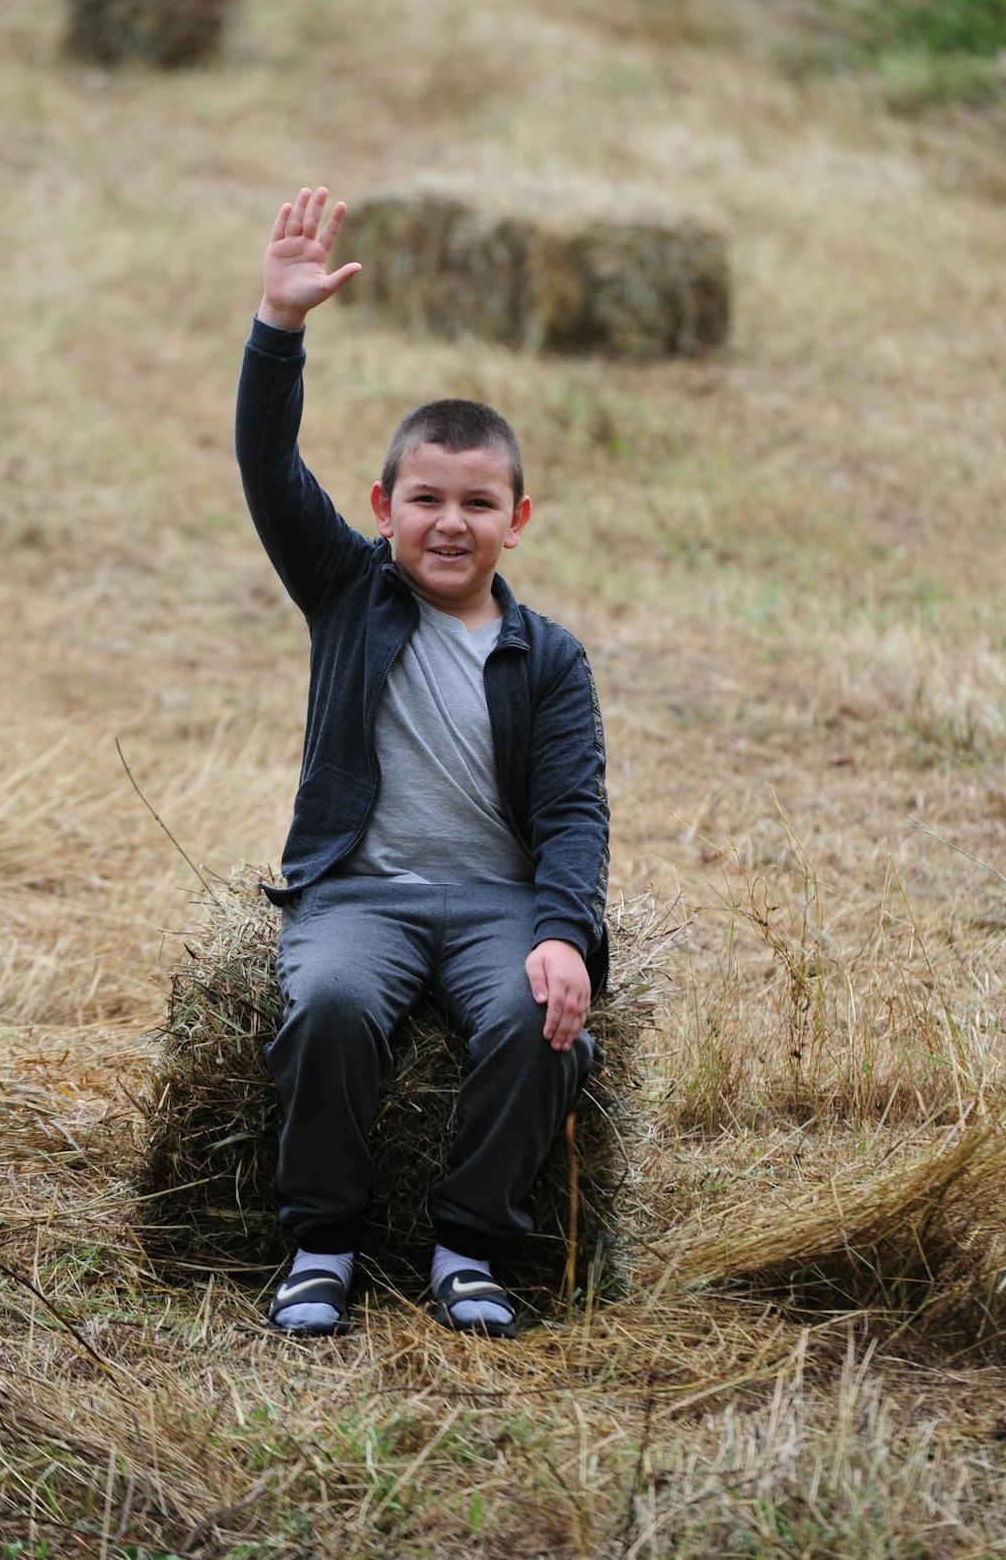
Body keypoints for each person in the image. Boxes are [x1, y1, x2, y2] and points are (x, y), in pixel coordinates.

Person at [237, 186, 610, 1337]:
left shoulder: (549, 659)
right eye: (427, 500)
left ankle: (469, 1243)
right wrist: (278, 327)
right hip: (362, 895)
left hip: (498, 904)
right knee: (334, 1003)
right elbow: (264, 457)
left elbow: (574, 816)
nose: (451, 523)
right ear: (382, 505)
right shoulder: (348, 591)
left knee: (539, 1026)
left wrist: (563, 933)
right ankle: (322, 1244)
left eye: (479, 503)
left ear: (519, 516)